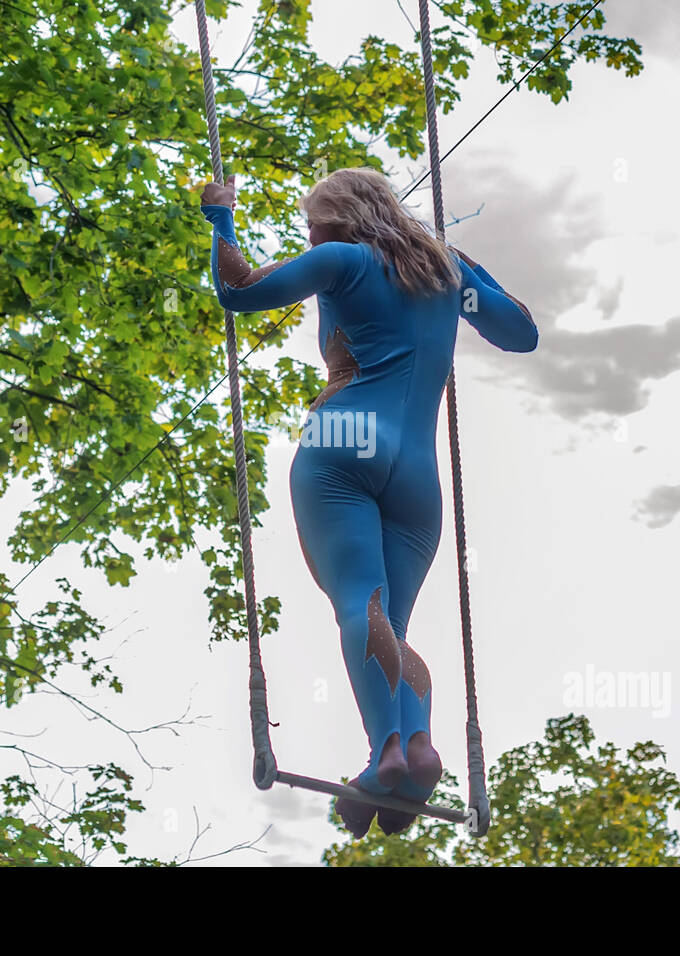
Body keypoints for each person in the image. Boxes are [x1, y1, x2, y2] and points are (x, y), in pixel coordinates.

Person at [198, 167, 537, 837]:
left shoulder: (342, 259)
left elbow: (239, 290)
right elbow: (521, 333)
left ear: (339, 220)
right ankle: (411, 746)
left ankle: (389, 749)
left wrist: (221, 219)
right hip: (416, 476)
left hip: (341, 441)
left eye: (312, 223)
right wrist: (470, 274)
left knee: (362, 603)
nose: (309, 233)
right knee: (390, 624)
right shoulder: (449, 271)